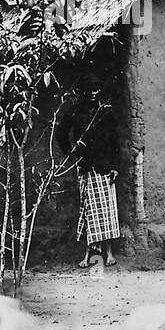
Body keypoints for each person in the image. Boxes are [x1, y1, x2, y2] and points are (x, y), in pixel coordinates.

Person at [64, 106, 120, 268]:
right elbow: (62, 132)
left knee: (106, 211)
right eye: (89, 89)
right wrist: (71, 152)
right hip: (86, 168)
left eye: (96, 89)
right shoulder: (77, 110)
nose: (93, 93)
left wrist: (114, 167)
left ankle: (109, 252)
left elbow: (115, 140)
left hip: (104, 168)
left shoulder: (105, 112)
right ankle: (88, 254)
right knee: (89, 210)